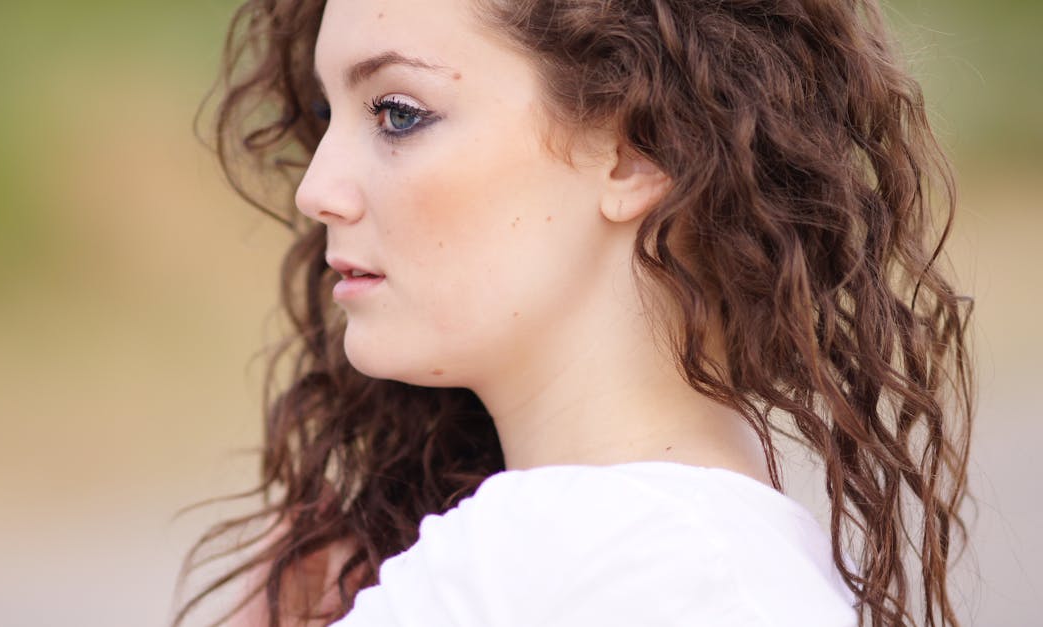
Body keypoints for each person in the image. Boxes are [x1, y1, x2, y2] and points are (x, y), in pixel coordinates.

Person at [175, 1, 975, 626]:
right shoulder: (730, 559)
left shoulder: (579, 558)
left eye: (396, 113)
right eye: (325, 117)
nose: (316, 188)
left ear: (636, 150)